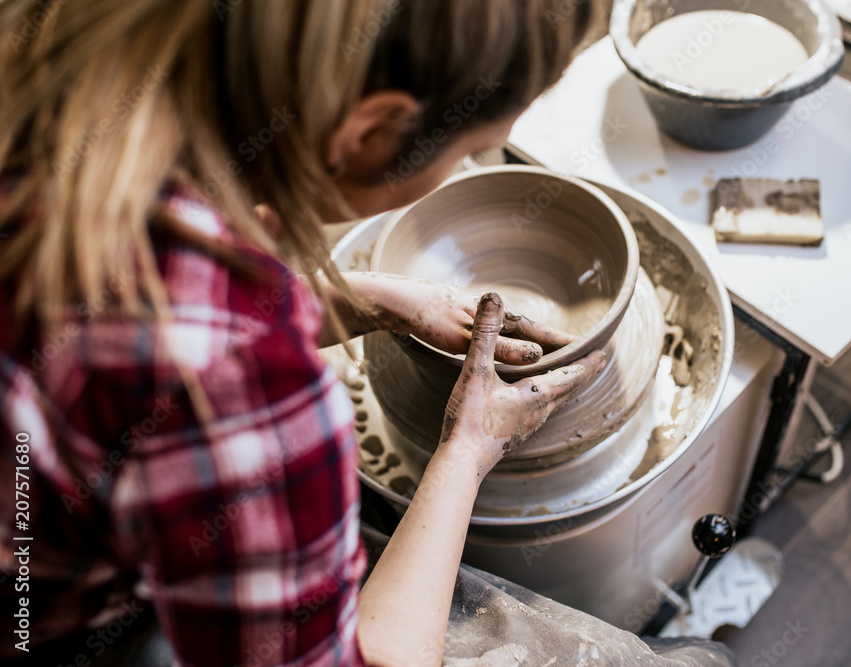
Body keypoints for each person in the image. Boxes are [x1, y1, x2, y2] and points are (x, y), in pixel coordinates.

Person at [0, 1, 606, 665]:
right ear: (369, 131)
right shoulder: (240, 380)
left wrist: (369, 299)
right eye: (470, 146)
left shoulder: (52, 62)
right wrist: (470, 444)